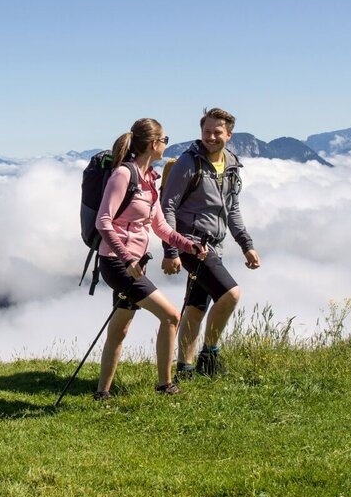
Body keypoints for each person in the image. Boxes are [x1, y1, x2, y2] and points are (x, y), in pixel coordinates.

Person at [94, 118, 208, 400]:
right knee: (171, 316)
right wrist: (127, 259)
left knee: (120, 329)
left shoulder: (149, 180)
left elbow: (161, 228)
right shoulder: (123, 174)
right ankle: (165, 385)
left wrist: (188, 245)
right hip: (118, 264)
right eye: (165, 140)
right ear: (154, 144)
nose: (166, 145)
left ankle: (102, 393)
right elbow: (103, 221)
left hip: (132, 265)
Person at [161, 107, 261, 378]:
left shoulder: (230, 165)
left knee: (196, 307)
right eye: (207, 131)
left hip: (214, 244)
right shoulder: (188, 163)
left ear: (229, 134)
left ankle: (185, 369)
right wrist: (172, 249)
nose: (211, 137)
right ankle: (210, 355)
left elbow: (232, 209)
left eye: (218, 132)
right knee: (230, 294)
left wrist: (246, 244)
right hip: (190, 244)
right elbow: (167, 206)